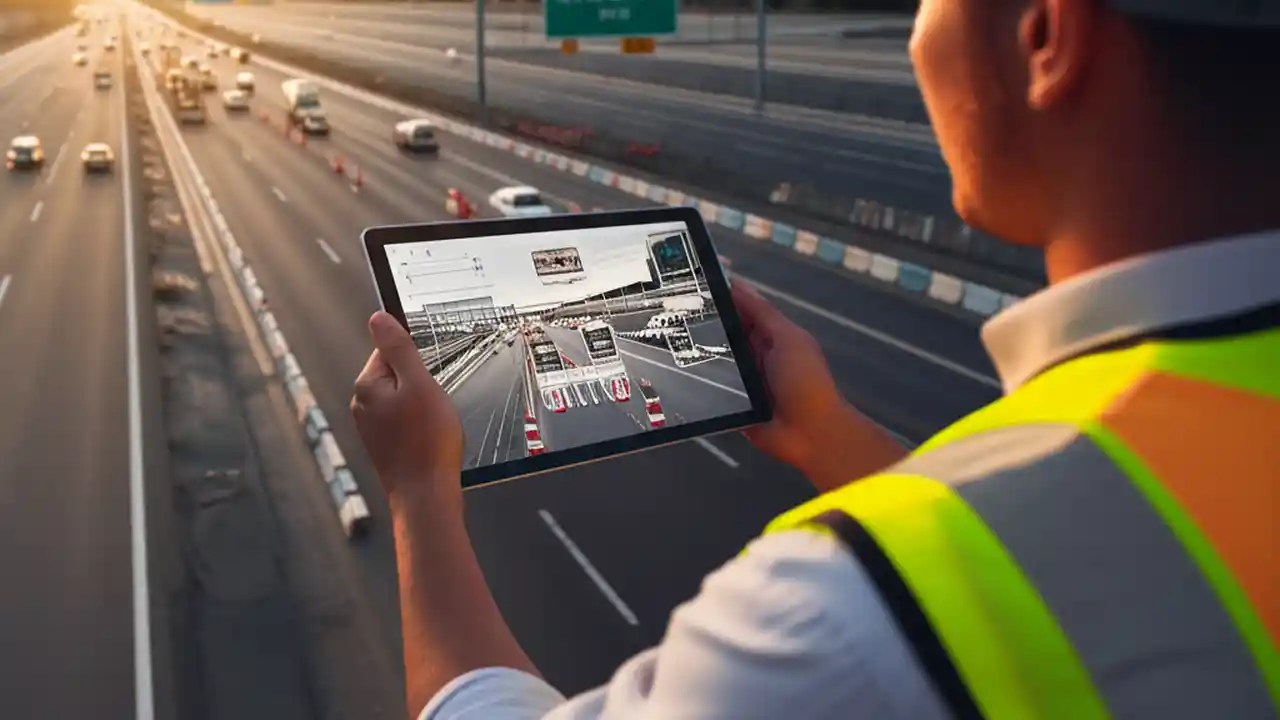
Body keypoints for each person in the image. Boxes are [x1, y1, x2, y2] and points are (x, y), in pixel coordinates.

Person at [351, 0, 1279, 717]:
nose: (918, 43)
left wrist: (420, 494)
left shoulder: (847, 614)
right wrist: (832, 436)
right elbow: (1094, 547)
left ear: (1047, 35)